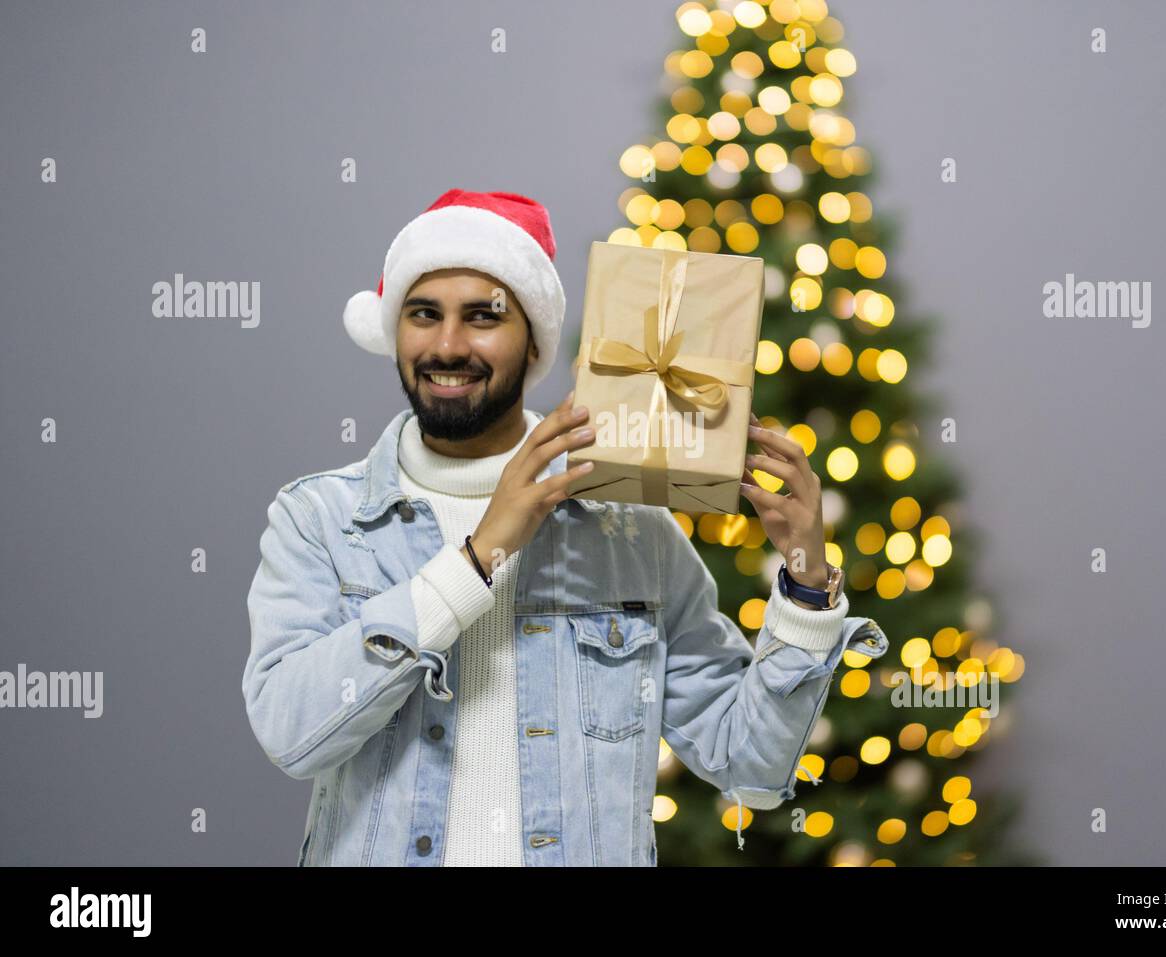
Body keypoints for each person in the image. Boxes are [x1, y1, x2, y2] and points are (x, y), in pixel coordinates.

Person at [242, 188, 887, 866]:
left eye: (484, 316)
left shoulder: (631, 532)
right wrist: (478, 555)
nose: (449, 344)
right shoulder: (318, 520)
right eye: (423, 314)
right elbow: (293, 734)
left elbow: (749, 765)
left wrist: (808, 588)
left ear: (534, 340)